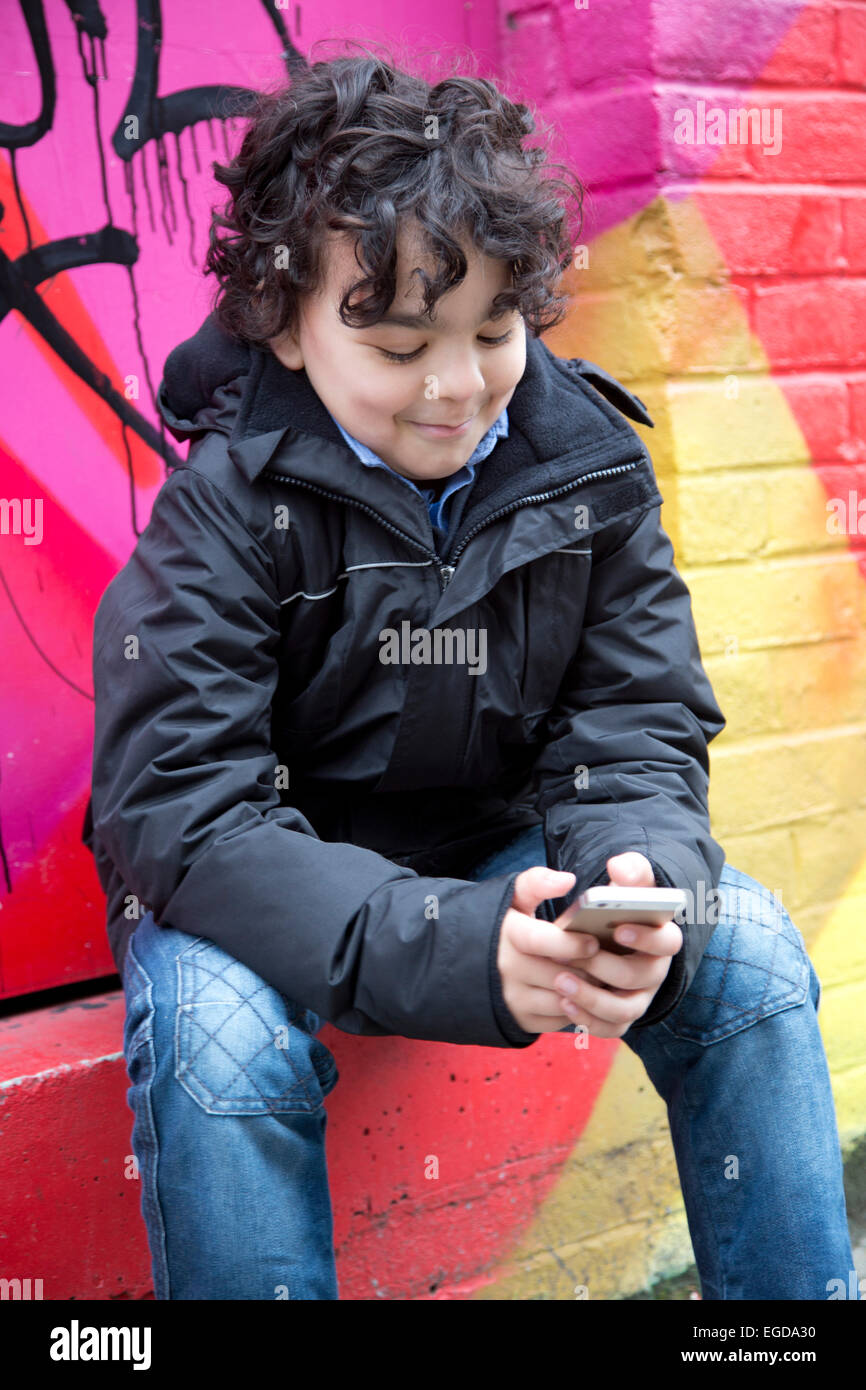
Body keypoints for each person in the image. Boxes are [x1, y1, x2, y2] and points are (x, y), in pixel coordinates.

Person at [82, 48, 855, 1300]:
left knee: (748, 950)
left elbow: (636, 714)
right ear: (281, 321)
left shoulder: (588, 462)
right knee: (211, 1036)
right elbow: (187, 814)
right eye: (396, 346)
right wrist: (441, 943)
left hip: (508, 849)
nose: (453, 387)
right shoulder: (221, 507)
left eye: (492, 330)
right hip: (271, 879)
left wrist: (636, 868)